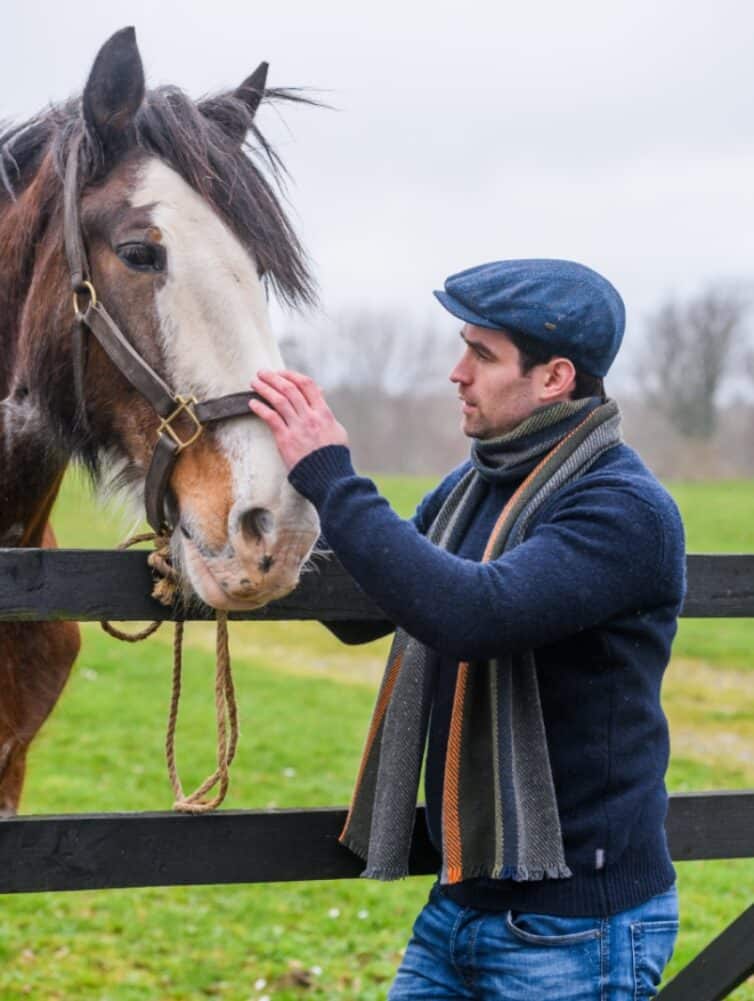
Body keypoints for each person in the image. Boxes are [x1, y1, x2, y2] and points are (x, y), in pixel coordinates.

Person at [249, 258, 686, 1000]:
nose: (457, 372)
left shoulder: (623, 508)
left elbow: (469, 612)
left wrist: (332, 472)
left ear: (554, 378)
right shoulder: (475, 485)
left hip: (576, 927)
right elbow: (370, 606)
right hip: (462, 906)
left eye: (481, 354)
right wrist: (248, 519)